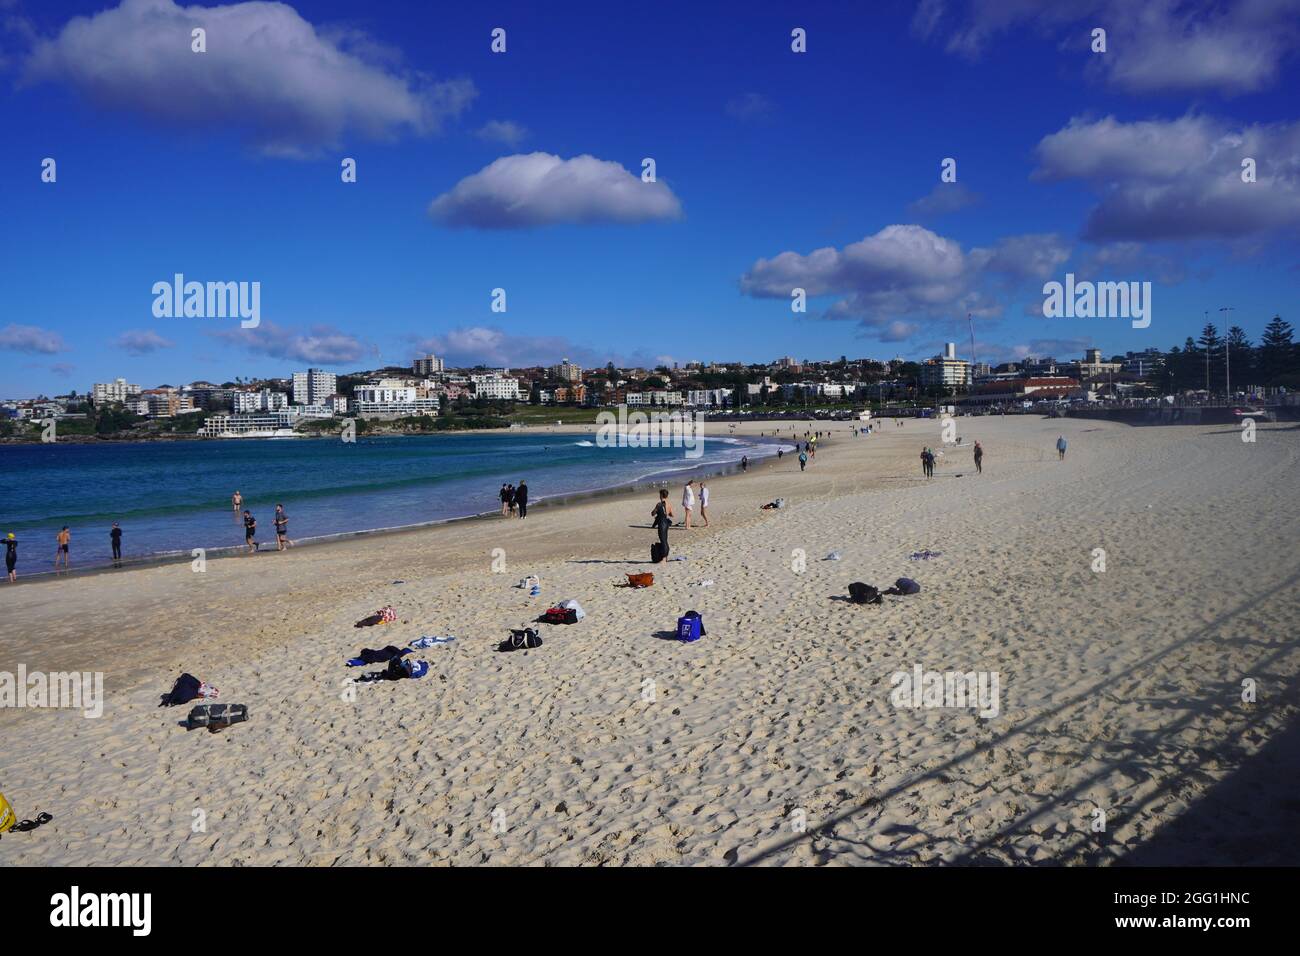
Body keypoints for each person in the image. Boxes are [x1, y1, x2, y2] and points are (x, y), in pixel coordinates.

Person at [651, 489, 673, 562]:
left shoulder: (659, 504)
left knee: (663, 540)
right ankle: (665, 557)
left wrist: (657, 511)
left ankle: (664, 557)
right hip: (666, 523)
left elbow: (652, 513)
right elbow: (671, 514)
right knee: (665, 540)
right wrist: (666, 513)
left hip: (661, 523)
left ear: (661, 495)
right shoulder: (669, 504)